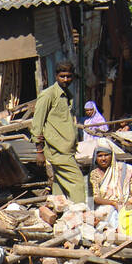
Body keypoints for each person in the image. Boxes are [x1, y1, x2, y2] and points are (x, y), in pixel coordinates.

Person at [30, 62, 86, 203]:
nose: (66, 80)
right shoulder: (48, 95)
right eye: (62, 76)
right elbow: (37, 123)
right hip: (58, 149)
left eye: (68, 76)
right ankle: (83, 214)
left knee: (59, 186)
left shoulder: (67, 95)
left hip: (67, 148)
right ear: (56, 76)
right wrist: (39, 151)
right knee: (78, 184)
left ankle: (58, 215)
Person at [89, 141, 132, 212]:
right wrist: (113, 203)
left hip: (126, 204)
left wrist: (129, 202)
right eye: (100, 156)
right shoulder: (95, 174)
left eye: (106, 155)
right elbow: (96, 198)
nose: (103, 159)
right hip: (105, 207)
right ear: (96, 158)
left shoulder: (123, 169)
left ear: (112, 156)